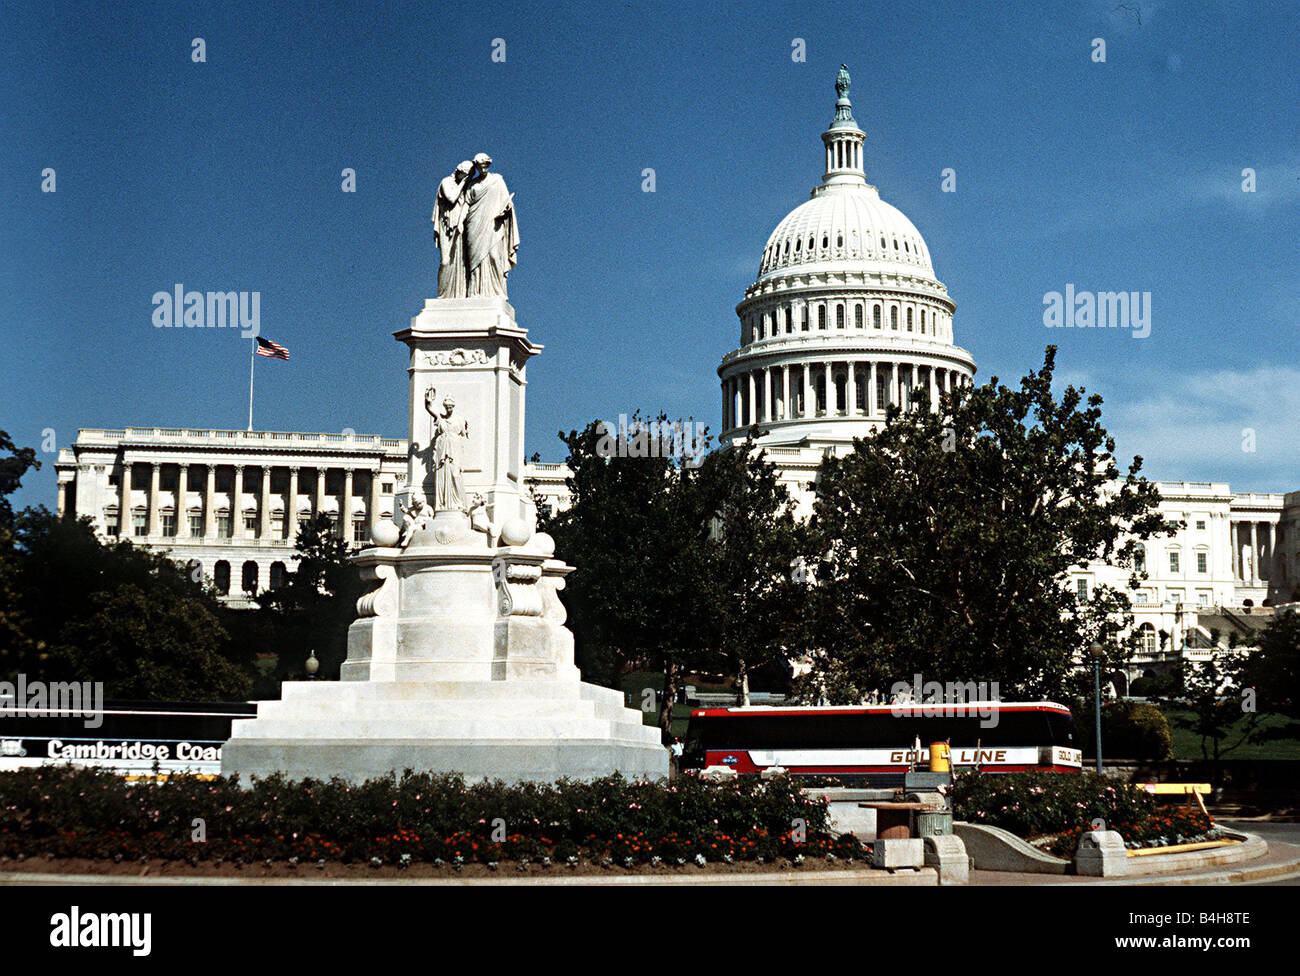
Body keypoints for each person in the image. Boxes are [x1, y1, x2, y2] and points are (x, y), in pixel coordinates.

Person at [463, 153, 519, 298]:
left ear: (488, 164)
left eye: (485, 165)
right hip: (474, 223)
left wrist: (506, 210)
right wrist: (459, 223)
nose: (483, 168)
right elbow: (466, 204)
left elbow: (507, 201)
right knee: (474, 259)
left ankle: (497, 291)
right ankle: (475, 291)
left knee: (494, 256)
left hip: (494, 223)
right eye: (479, 166)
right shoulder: (472, 185)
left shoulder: (497, 180)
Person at [434, 161, 473, 298]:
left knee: (462, 263)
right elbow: (451, 198)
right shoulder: (446, 182)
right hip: (447, 226)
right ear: (459, 171)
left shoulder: (467, 189)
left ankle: (460, 294)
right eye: (465, 174)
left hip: (461, 227)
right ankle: (443, 295)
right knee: (445, 261)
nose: (466, 178)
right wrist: (463, 183)